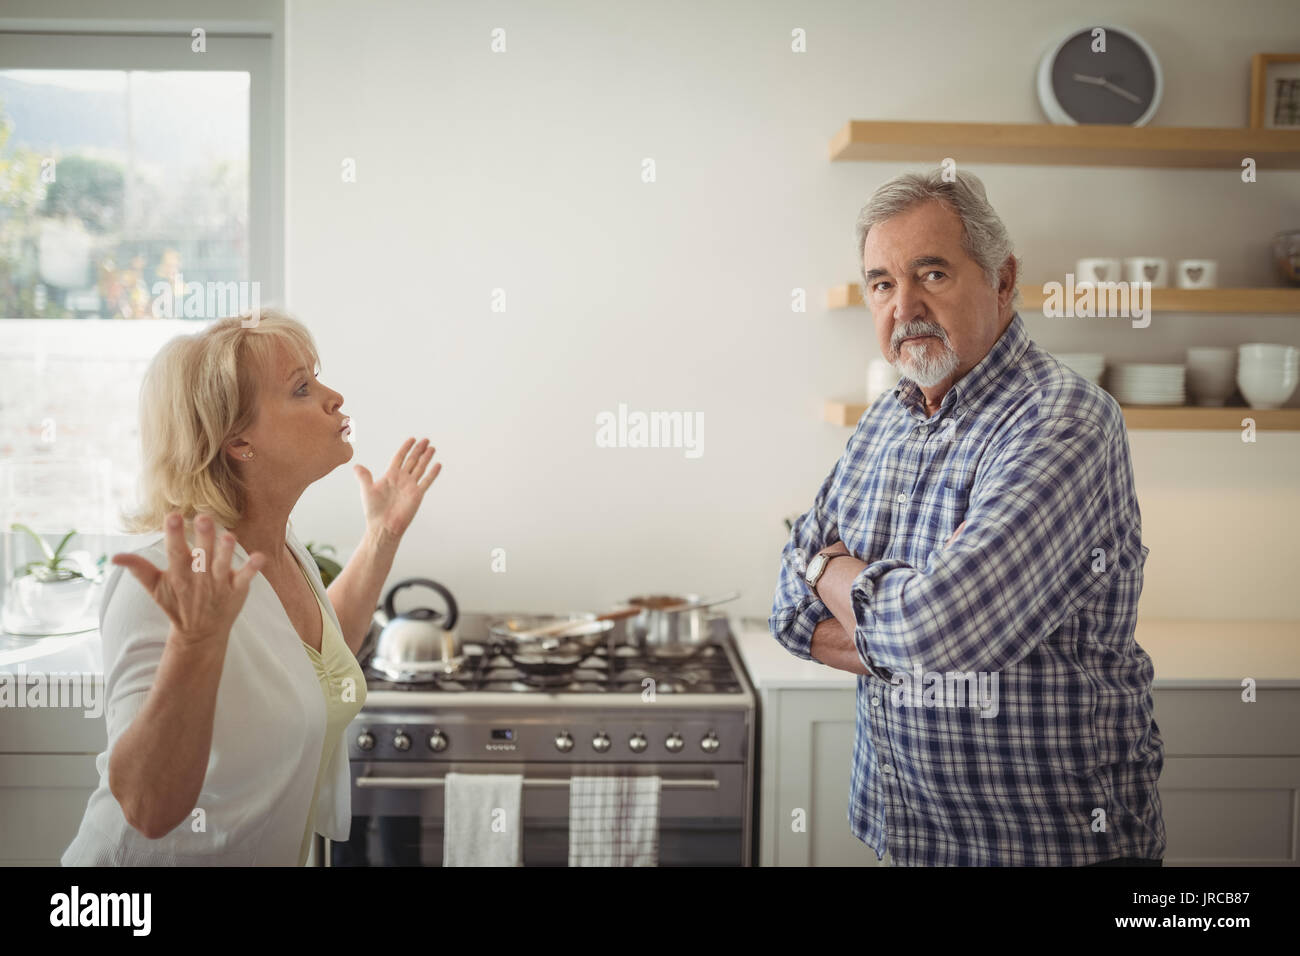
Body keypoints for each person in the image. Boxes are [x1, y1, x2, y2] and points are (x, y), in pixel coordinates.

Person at [770, 168, 1165, 867]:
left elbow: (934, 633)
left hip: (1047, 845)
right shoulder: (887, 420)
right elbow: (790, 616)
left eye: (933, 274)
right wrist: (900, 614)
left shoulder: (1061, 421)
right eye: (883, 284)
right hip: (906, 836)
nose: (905, 307)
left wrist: (828, 566)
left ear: (1003, 279)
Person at [61, 308, 441, 865]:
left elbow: (311, 662)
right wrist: (196, 645)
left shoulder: (285, 552)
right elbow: (146, 808)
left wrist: (382, 536)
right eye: (302, 388)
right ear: (238, 441)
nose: (334, 397)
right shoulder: (170, 577)